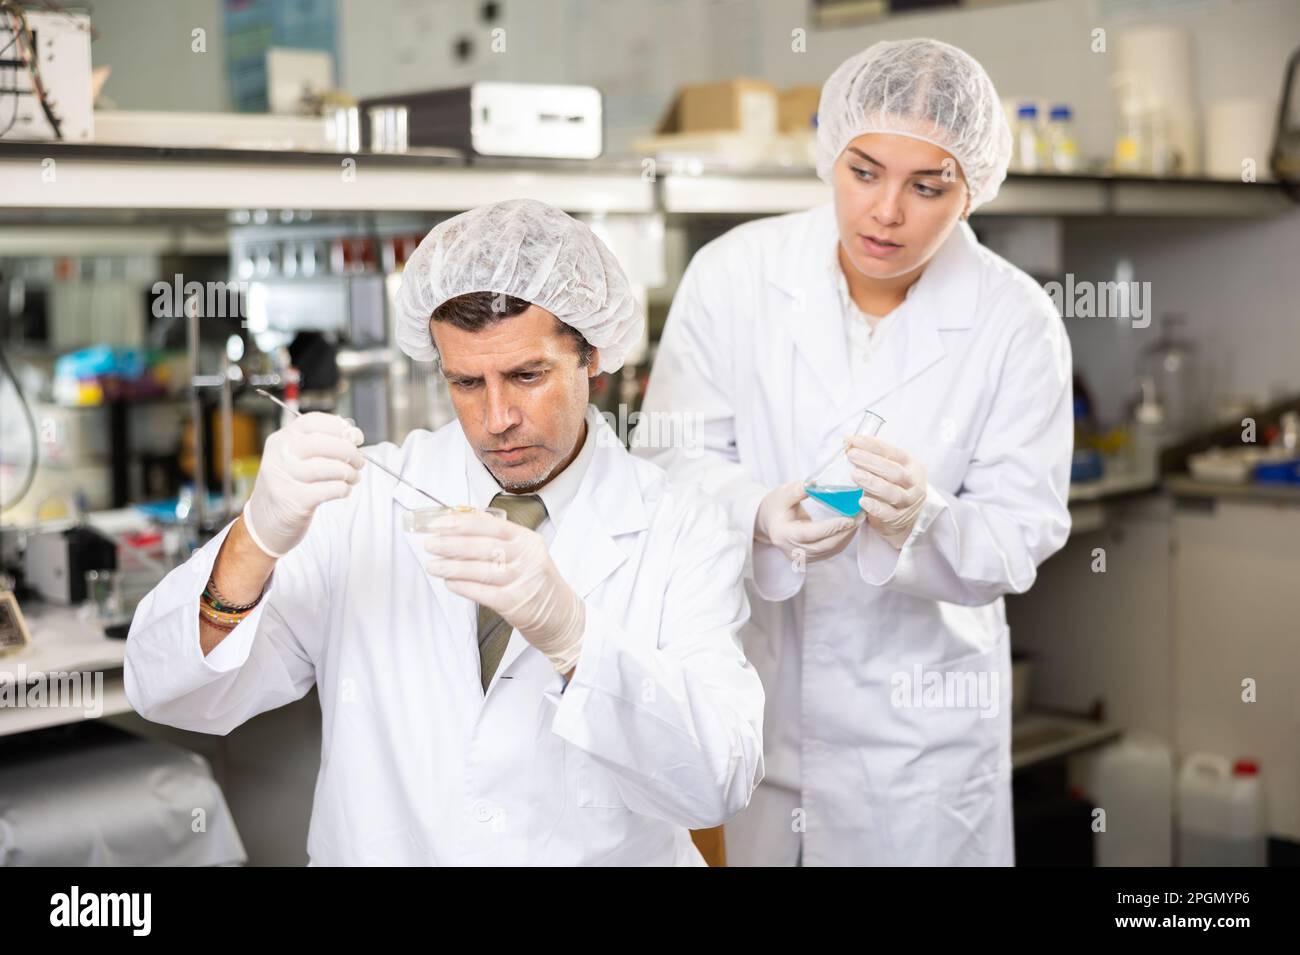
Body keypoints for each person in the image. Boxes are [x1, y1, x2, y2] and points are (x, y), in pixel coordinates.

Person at [125, 198, 765, 866]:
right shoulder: (363, 501)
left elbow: (718, 781)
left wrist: (578, 641)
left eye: (526, 375)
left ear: (593, 356)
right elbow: (171, 690)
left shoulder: (683, 527)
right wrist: (258, 536)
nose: (496, 418)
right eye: (465, 381)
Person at [633, 38, 1073, 866]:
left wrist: (924, 519)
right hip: (760, 724)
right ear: (830, 150)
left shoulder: (1015, 321)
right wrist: (758, 513)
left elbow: (1020, 534)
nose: (886, 211)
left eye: (927, 185)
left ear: (973, 186)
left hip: (917, 762)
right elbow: (668, 462)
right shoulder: (733, 275)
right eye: (864, 171)